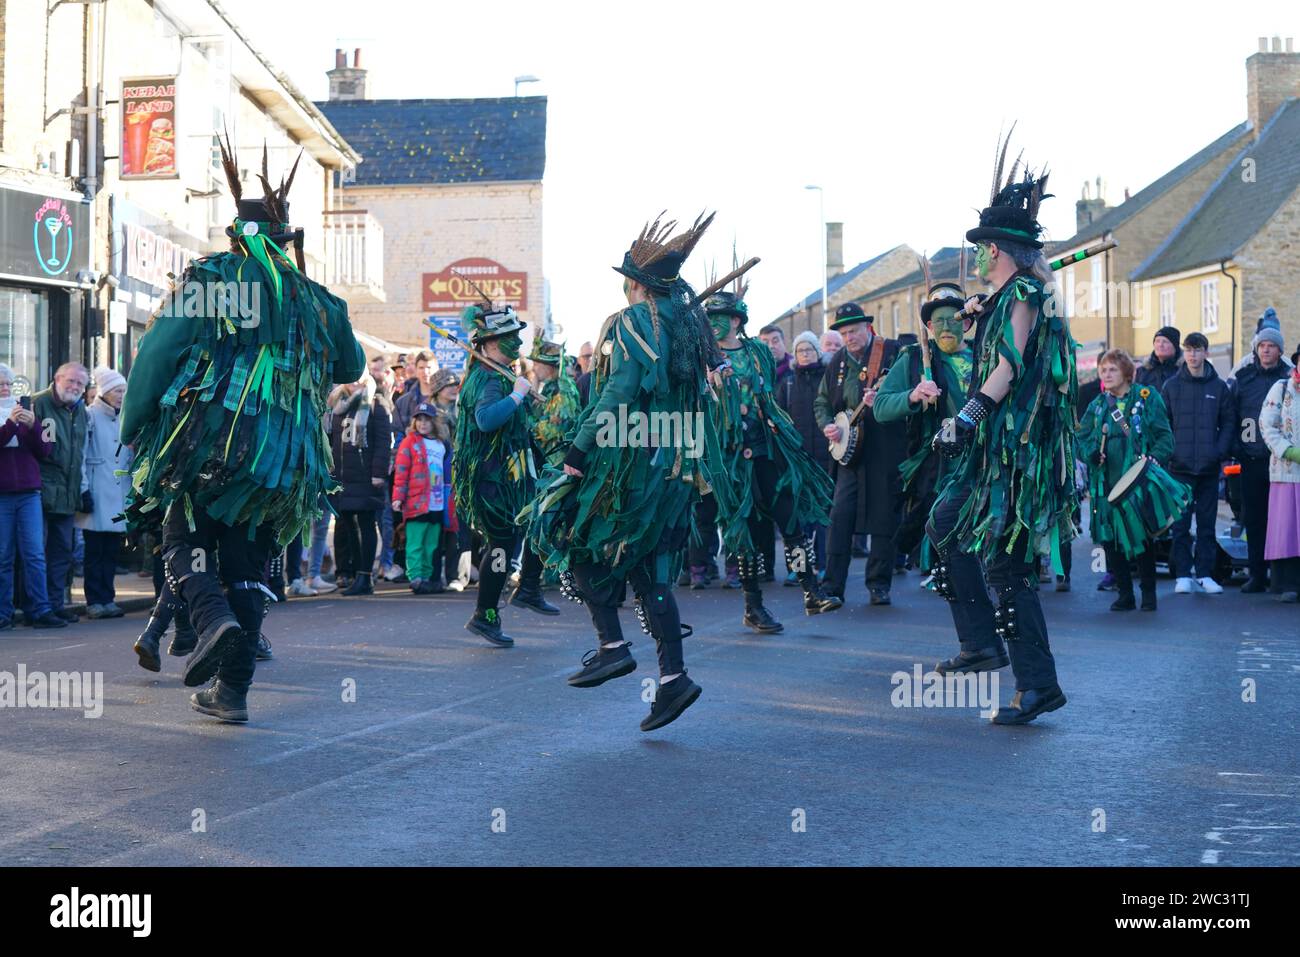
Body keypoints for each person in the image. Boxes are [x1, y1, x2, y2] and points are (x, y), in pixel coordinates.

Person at [120, 139, 364, 722]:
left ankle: (212, 620)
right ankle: (232, 692)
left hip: (211, 443)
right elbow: (351, 367)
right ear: (286, 243)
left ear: (235, 239)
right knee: (249, 562)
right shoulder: (319, 300)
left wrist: (133, 424)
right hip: (287, 461)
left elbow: (157, 355)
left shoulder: (212, 280)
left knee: (185, 538)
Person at [527, 212, 719, 731]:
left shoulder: (633, 322)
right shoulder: (691, 324)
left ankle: (612, 645)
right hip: (680, 461)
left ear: (635, 284)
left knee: (572, 532)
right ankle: (674, 677)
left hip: (630, 462)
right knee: (649, 564)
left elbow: (618, 392)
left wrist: (580, 450)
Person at [926, 148, 1076, 725]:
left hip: (1017, 454)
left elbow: (1008, 367)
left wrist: (968, 415)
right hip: (996, 454)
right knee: (946, 523)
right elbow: (992, 348)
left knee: (1006, 567)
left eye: (981, 247)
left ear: (997, 250)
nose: (975, 255)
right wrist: (975, 317)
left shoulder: (1023, 296)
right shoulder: (1004, 299)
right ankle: (983, 645)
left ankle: (1035, 685)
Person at [698, 286, 841, 633]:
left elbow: (766, 397)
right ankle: (753, 606)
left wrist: (782, 430)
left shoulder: (757, 351)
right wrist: (711, 384)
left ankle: (811, 591)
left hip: (765, 446)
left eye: (721, 317)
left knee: (789, 517)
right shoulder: (702, 358)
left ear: (736, 319)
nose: (715, 324)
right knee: (743, 528)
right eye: (709, 318)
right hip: (728, 455)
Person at [453, 299, 558, 646]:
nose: (517, 342)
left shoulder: (498, 373)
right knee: (504, 543)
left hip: (506, 475)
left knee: (528, 527)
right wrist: (516, 396)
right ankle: (492, 611)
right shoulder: (488, 379)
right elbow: (485, 421)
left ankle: (519, 592)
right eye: (510, 336)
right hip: (491, 478)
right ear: (490, 343)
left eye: (517, 335)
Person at [873, 276, 975, 585]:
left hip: (984, 456)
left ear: (967, 323)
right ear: (928, 326)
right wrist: (913, 395)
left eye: (954, 319)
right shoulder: (915, 359)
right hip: (940, 462)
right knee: (943, 521)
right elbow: (881, 407)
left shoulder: (986, 355)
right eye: (938, 321)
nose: (945, 327)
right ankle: (948, 572)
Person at [1076, 350, 1185, 611]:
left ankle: (1149, 594)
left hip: (1138, 480)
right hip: (1107, 482)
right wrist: (1092, 453)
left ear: (1126, 372)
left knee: (1142, 537)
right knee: (1111, 538)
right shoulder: (1097, 405)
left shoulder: (1147, 398)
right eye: (1103, 370)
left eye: (1112, 369)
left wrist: (1153, 460)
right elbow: (1081, 439)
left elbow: (1164, 437)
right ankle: (1125, 594)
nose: (1106, 374)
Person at [815, 302, 905, 605]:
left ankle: (879, 585)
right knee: (840, 515)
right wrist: (828, 425)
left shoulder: (892, 352)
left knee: (883, 517)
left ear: (868, 327)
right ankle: (831, 586)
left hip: (884, 447)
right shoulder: (837, 361)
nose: (848, 337)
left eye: (853, 330)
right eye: (843, 332)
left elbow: (908, 389)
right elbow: (822, 403)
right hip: (849, 453)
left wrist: (885, 397)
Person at [1162, 331, 1234, 595]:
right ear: (1184, 353)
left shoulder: (1219, 387)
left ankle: (1204, 574)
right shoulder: (1171, 386)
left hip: (1208, 467)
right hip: (1178, 468)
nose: (1192, 355)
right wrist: (1170, 453)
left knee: (1207, 524)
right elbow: (1163, 423)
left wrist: (1219, 451)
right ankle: (1182, 574)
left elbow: (1228, 422)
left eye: (1197, 349)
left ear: (1206, 352)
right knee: (1180, 525)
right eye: (1189, 350)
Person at [0, 364, 66, 630]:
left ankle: (40, 609)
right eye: (0, 385)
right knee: (3, 557)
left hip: (29, 492)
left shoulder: (29, 411)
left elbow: (46, 448)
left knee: (35, 554)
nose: (5, 389)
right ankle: (3, 613)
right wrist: (11, 424)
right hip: (2, 495)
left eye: (8, 384)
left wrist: (32, 425)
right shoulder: (12, 417)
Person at [1229, 327, 1290, 592]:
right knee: (1253, 520)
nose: (1266, 349)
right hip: (1251, 459)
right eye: (1262, 345)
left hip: (1282, 462)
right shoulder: (1243, 378)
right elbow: (1230, 415)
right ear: (1256, 349)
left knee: (1284, 520)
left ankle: (1281, 576)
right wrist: (1236, 448)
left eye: (1271, 346)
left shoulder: (1289, 378)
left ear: (1279, 350)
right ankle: (1256, 574)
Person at [32, 362, 89, 622]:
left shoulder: (80, 410)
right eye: (71, 381)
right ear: (57, 378)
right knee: (37, 552)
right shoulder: (39, 404)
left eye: (80, 383)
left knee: (62, 552)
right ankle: (38, 606)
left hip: (68, 494)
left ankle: (55, 604)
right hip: (41, 492)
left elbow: (80, 455)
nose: (75, 386)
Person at [76, 366, 134, 619]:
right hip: (97, 487)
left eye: (124, 390)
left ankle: (108, 598)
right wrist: (83, 489)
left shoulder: (125, 417)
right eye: (117, 390)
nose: (122, 395)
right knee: (94, 550)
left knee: (111, 549)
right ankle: (94, 599)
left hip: (119, 490)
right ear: (106, 392)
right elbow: (81, 456)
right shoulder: (89, 416)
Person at [328, 374, 393, 596]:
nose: (355, 381)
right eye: (351, 377)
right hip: (342, 477)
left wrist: (378, 473)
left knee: (366, 525)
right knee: (348, 526)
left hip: (366, 476)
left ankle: (365, 576)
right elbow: (332, 441)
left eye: (359, 377)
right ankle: (356, 574)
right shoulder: (338, 405)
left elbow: (384, 442)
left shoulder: (375, 404)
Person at [777, 330, 832, 580]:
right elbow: (778, 416)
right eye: (800, 350)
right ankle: (797, 568)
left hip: (825, 458)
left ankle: (823, 566)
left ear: (817, 352)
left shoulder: (827, 378)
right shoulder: (788, 382)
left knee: (823, 518)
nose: (805, 354)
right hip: (797, 460)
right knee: (798, 519)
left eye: (809, 349)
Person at [392, 402, 454, 594]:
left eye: (427, 419)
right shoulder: (409, 442)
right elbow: (401, 471)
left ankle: (428, 578)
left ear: (434, 422)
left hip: (437, 503)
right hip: (416, 502)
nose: (423, 423)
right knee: (415, 543)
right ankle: (416, 578)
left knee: (431, 544)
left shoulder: (441, 443)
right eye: (419, 419)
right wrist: (398, 497)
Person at [1259, 358, 1300, 601]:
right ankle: (1287, 584)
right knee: (1287, 528)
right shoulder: (1282, 387)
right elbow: (1266, 424)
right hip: (1286, 470)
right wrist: (1288, 450)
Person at [528, 337, 582, 467]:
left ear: (549, 366)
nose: (533, 369)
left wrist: (528, 423)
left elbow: (554, 429)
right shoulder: (549, 387)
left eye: (537, 364)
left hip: (558, 461)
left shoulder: (563, 390)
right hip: (547, 457)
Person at [393, 351, 436, 435]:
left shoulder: (446, 399)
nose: (425, 372)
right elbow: (398, 435)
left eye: (429, 367)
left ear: (436, 368)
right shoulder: (402, 402)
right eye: (421, 368)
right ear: (416, 370)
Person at [1136, 327, 1182, 392]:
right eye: (1157, 341)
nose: (1160, 345)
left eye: (1165, 342)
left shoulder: (1184, 370)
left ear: (1175, 346)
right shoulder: (1143, 371)